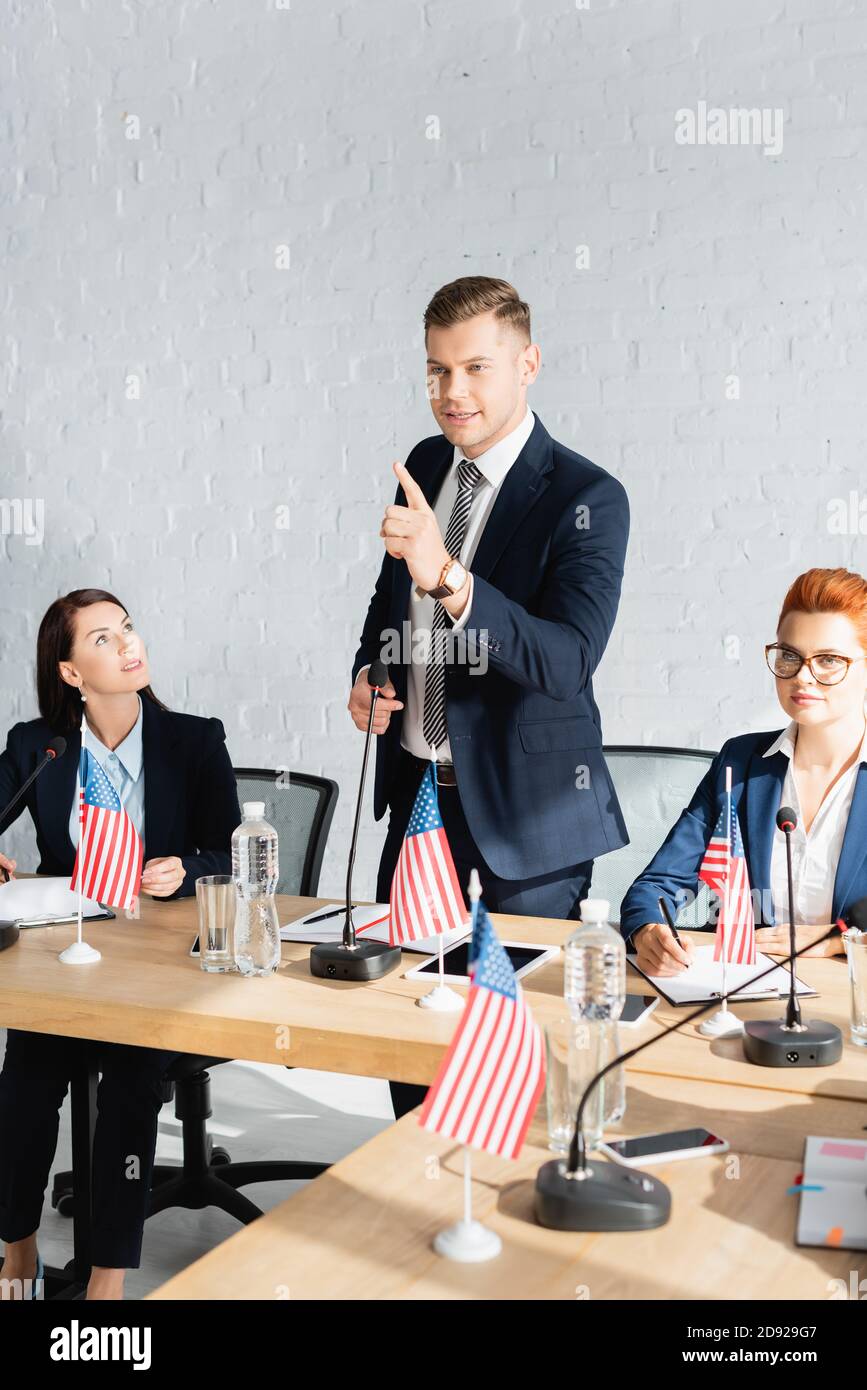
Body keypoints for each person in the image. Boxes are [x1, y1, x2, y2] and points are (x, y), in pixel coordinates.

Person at [348, 276, 630, 1115]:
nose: (452, 393)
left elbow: (566, 658)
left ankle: (507, 1232)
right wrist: (374, 673)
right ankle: (421, 1203)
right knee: (412, 1033)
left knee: (507, 1049)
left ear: (527, 363)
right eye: (436, 371)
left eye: (474, 367)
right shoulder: (429, 462)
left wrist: (453, 582)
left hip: (527, 824)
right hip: (419, 802)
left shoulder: (586, 498)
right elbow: (387, 602)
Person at [0, 588, 241, 1299]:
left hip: (161, 963)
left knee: (132, 1090)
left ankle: (107, 1279)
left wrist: (187, 868)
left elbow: (235, 853)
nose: (128, 644)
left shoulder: (194, 739)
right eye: (102, 639)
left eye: (127, 628)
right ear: (70, 672)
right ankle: (17, 1253)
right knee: (22, 1088)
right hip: (70, 961)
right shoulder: (37, 745)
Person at [620, 568, 866, 977]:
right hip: (740, 989)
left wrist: (836, 941)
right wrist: (649, 932)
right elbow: (657, 885)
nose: (802, 675)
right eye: (789, 655)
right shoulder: (741, 760)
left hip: (848, 999)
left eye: (828, 660)